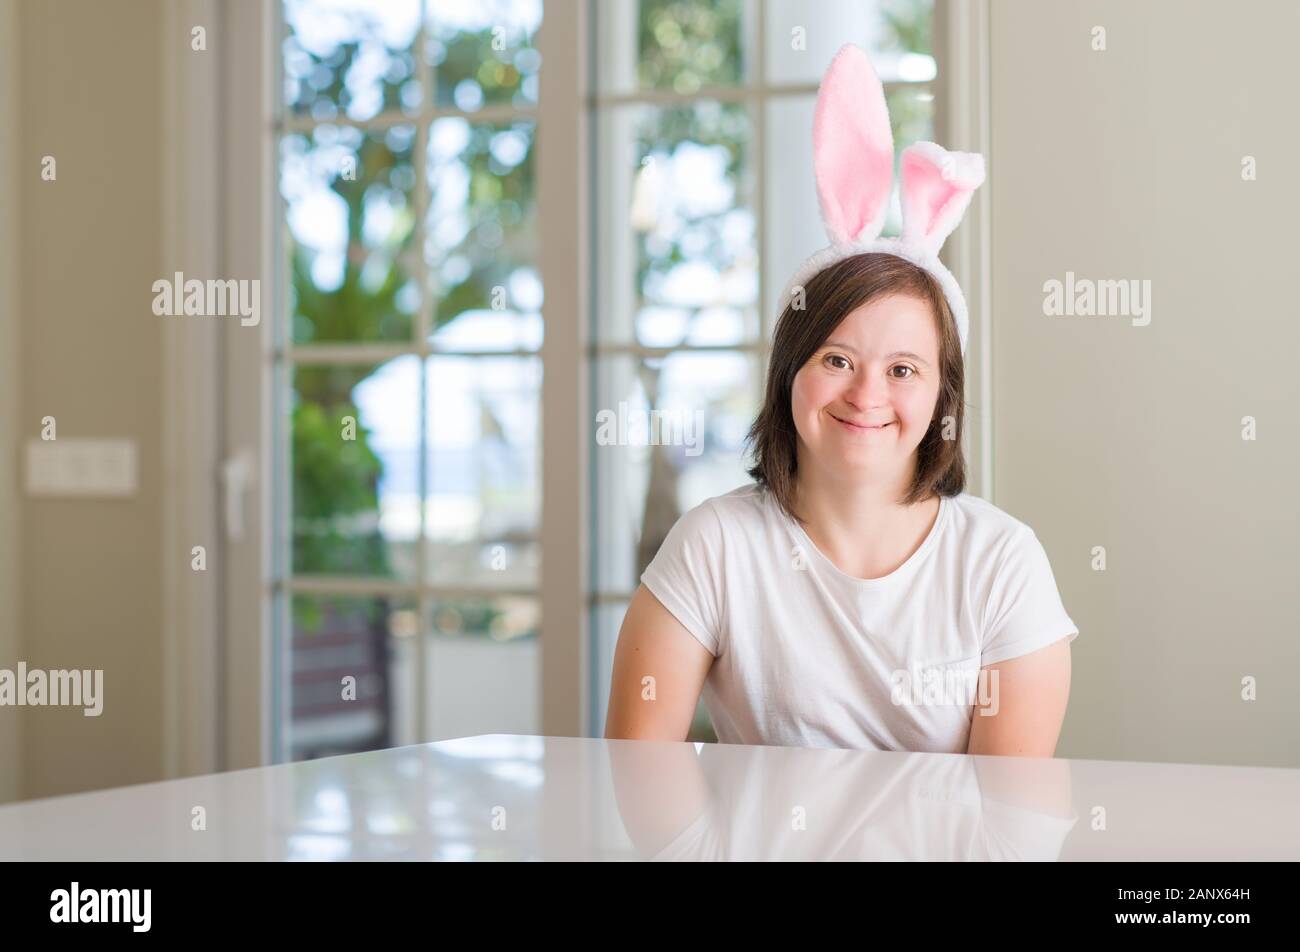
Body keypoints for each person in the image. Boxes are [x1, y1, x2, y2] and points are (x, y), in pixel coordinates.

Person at [604, 44, 1079, 756]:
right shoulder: (715, 547)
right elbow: (639, 783)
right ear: (789, 372)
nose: (866, 394)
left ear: (941, 394)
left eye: (904, 370)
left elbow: (1004, 824)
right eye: (836, 359)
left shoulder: (1002, 561)